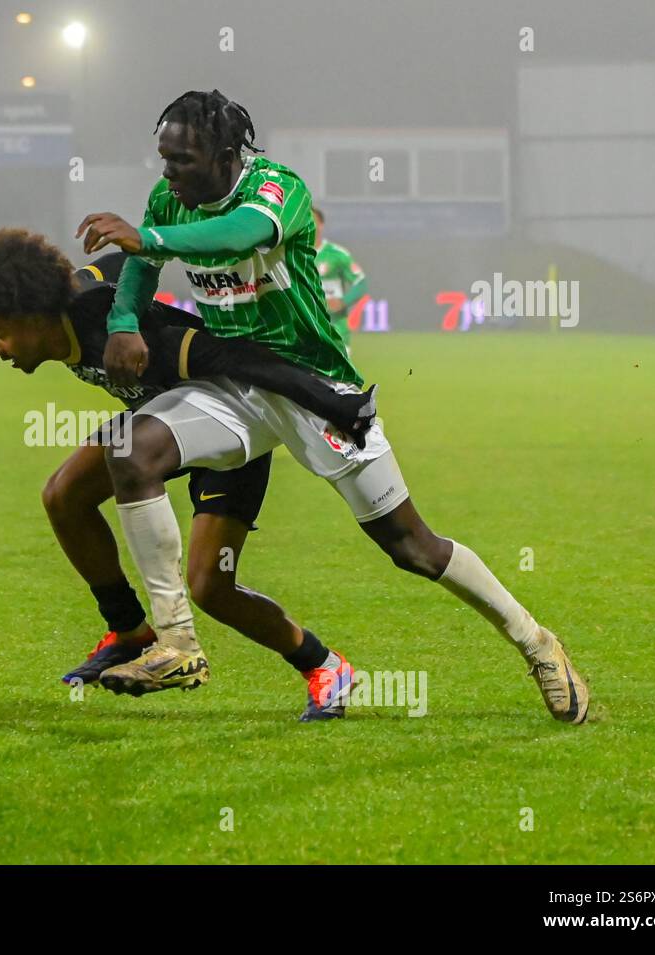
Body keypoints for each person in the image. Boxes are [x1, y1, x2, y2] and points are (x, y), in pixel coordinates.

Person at [74, 89, 589, 723]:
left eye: (181, 159)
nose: (167, 172)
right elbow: (141, 266)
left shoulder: (274, 188)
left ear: (226, 154)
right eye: (162, 158)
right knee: (134, 448)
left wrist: (148, 235)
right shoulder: (168, 200)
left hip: (315, 387)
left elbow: (242, 235)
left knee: (412, 548)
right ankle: (177, 643)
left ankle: (539, 645)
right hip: (235, 386)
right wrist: (123, 319)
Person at [0, 230, 375, 716]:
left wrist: (330, 401)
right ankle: (130, 629)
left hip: (225, 423)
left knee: (211, 588)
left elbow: (229, 358)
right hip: (158, 428)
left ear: (35, 319)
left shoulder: (112, 332)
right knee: (64, 495)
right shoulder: (72, 304)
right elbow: (118, 267)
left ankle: (324, 665)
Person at [313, 206, 368, 352]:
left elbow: (360, 283)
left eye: (313, 220)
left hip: (336, 330)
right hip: (305, 331)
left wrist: (343, 302)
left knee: (335, 375)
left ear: (321, 225)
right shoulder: (292, 254)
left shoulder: (336, 254)